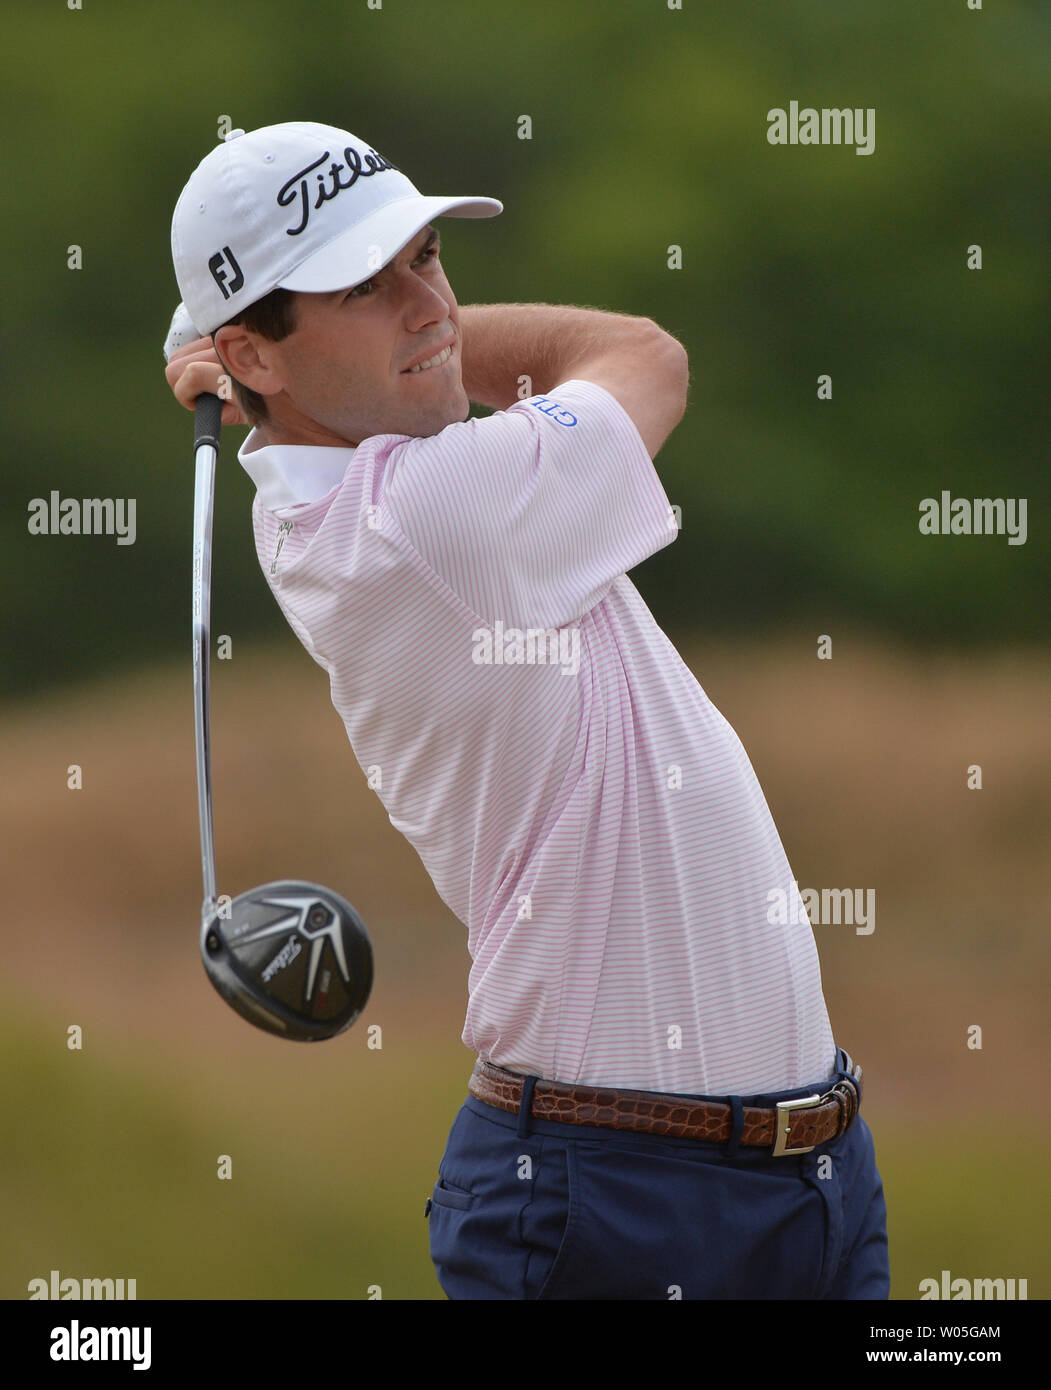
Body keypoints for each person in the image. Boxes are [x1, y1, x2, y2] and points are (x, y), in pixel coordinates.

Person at [166, 120, 889, 1300]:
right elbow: (640, 354)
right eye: (365, 283)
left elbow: (430, 364)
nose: (428, 303)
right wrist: (332, 350)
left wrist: (301, 354)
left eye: (426, 258)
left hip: (804, 1175)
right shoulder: (424, 514)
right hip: (615, 1198)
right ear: (254, 355)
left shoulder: (370, 473)